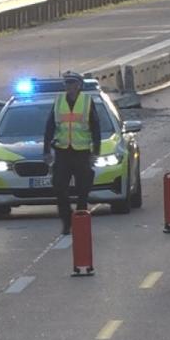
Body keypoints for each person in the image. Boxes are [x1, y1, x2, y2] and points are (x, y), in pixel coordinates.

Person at [43, 71, 101, 235]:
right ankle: (67, 220)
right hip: (62, 152)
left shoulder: (86, 101)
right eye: (67, 83)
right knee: (59, 187)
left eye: (72, 83)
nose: (69, 86)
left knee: (83, 189)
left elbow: (95, 127)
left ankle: (80, 218)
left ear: (79, 85)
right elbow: (50, 126)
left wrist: (96, 151)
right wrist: (46, 150)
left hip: (81, 152)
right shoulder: (59, 101)